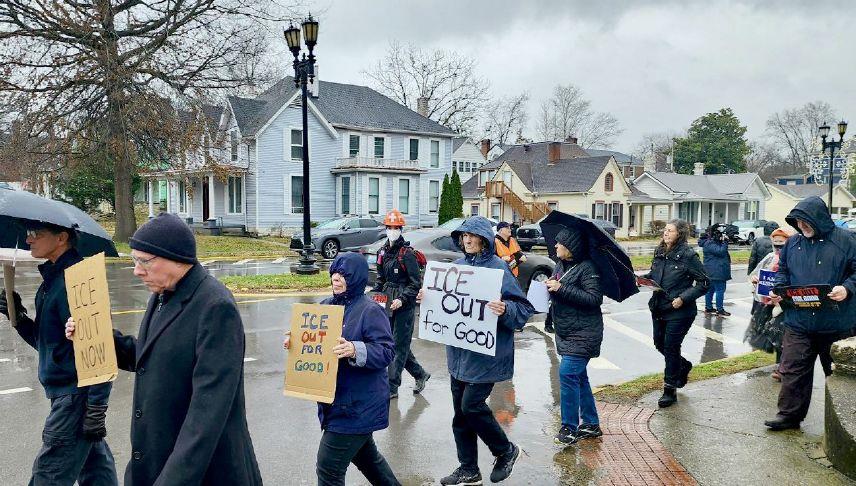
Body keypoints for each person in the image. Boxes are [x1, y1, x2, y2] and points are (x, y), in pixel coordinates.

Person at [66, 213, 262, 485]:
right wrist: (95, 335)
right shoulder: (162, 295)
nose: (136, 270)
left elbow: (207, 412)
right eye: (134, 260)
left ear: (176, 258)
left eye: (143, 261)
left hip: (202, 471)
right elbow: (149, 357)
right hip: (156, 459)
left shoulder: (215, 307)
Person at [418, 216, 535, 486]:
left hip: (486, 357)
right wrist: (428, 299)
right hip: (458, 355)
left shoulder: (498, 269)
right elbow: (445, 305)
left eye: (472, 236)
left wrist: (505, 309)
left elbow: (522, 312)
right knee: (460, 414)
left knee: (471, 406)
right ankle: (468, 469)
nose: (467, 240)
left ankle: (505, 451)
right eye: (463, 237)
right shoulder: (456, 268)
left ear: (483, 239)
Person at [0, 221, 118, 486]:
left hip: (75, 398)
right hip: (66, 395)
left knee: (48, 476)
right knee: (97, 472)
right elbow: (49, 345)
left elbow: (98, 347)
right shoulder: (52, 281)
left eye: (36, 234)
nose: (29, 240)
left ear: (61, 238)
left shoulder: (78, 281)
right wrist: (17, 317)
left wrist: (96, 406)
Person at [285, 252, 399, 486]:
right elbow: (316, 344)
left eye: (343, 274)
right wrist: (296, 342)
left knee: (328, 468)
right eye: (334, 273)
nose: (336, 278)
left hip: (358, 406)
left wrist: (355, 350)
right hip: (334, 402)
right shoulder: (325, 307)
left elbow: (387, 352)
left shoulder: (370, 310)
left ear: (356, 277)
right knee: (369, 460)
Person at [764, 196, 856, 431]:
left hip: (836, 322)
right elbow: (783, 273)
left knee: (836, 373)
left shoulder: (847, 241)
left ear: (819, 219)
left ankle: (842, 423)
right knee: (793, 369)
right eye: (798, 223)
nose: (802, 227)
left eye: (806, 223)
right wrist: (779, 291)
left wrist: (847, 288)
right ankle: (789, 415)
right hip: (798, 321)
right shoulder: (792, 244)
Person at [641, 219, 710, 408]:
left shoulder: (688, 255)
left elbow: (704, 283)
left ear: (679, 233)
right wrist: (643, 279)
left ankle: (669, 390)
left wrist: (683, 298)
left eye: (670, 231)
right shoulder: (660, 251)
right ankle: (683, 365)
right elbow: (656, 275)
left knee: (671, 347)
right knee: (659, 343)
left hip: (680, 311)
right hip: (659, 307)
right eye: (665, 230)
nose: (666, 233)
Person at [546, 227, 604, 446]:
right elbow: (558, 290)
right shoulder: (560, 265)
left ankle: (569, 428)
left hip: (585, 333)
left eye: (559, 243)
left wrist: (561, 288)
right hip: (567, 331)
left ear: (570, 247)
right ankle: (590, 424)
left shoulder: (588, 268)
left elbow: (594, 298)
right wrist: (550, 288)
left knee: (567, 373)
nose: (555, 246)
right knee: (579, 377)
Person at [373, 209, 429, 400]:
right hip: (387, 301)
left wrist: (402, 299)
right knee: (396, 344)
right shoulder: (382, 252)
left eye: (396, 227)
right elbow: (380, 279)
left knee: (398, 345)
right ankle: (420, 374)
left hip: (404, 304)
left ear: (401, 228)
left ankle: (392, 387)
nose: (392, 230)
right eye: (389, 227)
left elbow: (415, 282)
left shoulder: (407, 253)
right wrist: (374, 297)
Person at [747, 228, 791, 380]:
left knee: (786, 337)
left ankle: (784, 368)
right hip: (770, 303)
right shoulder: (769, 257)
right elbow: (756, 274)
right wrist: (755, 280)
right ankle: (781, 367)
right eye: (776, 243)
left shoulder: (793, 259)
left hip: (787, 305)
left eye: (782, 243)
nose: (778, 247)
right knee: (777, 337)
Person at [700, 224, 732, 317]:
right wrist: (725, 242)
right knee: (720, 290)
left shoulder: (708, 242)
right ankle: (719, 309)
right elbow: (721, 252)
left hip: (712, 270)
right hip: (716, 270)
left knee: (711, 290)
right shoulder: (709, 243)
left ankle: (709, 307)